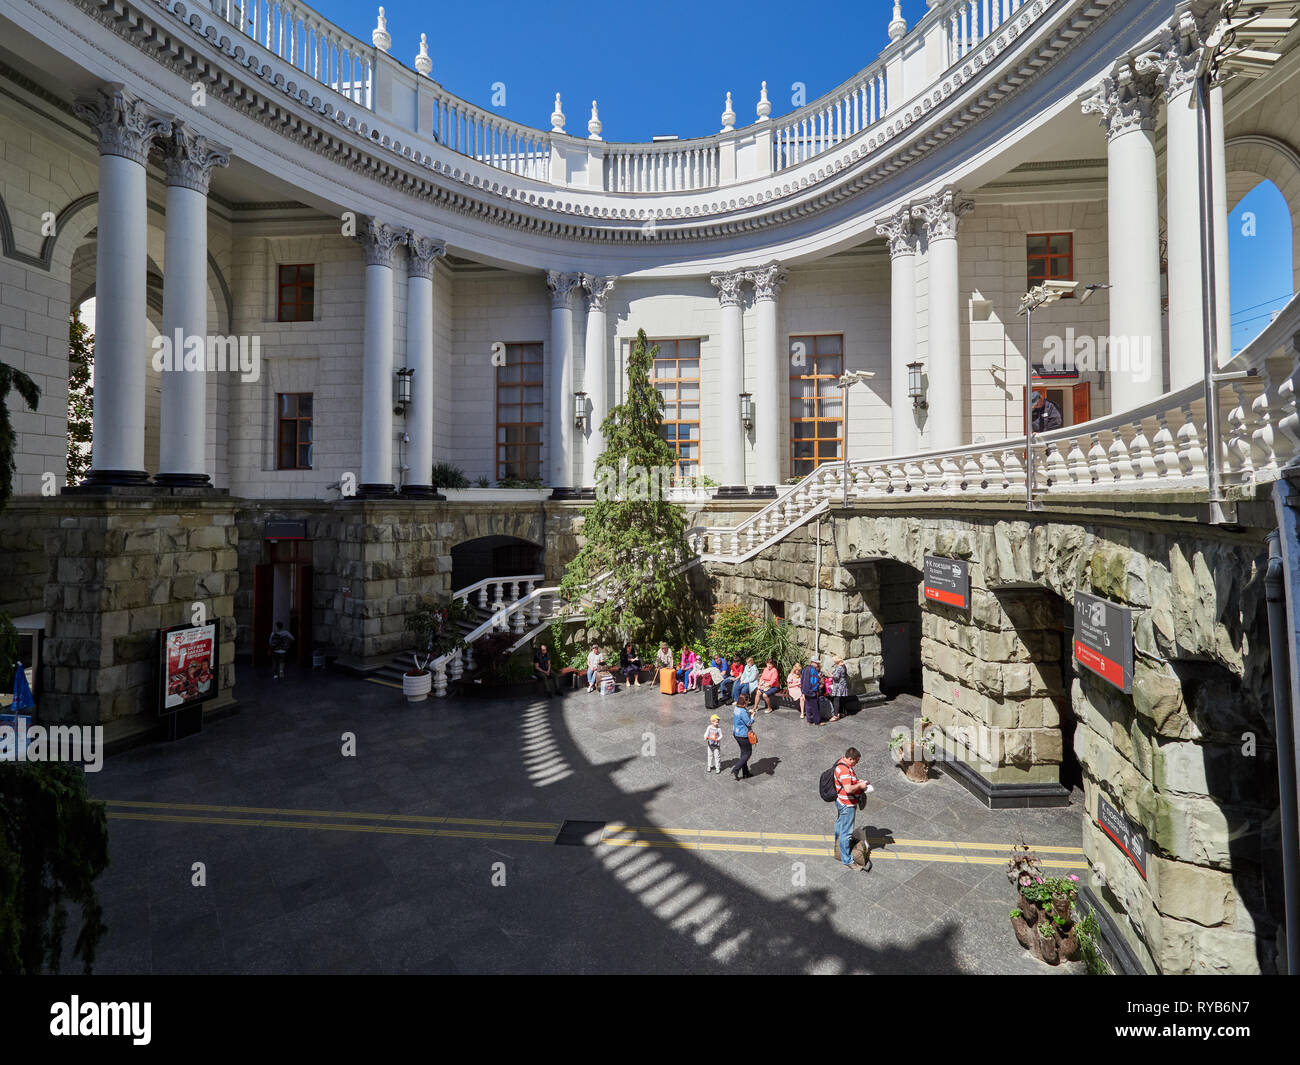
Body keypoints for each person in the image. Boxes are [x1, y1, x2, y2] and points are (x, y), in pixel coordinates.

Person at [833, 747, 872, 870]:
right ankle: (846, 859)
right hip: (847, 804)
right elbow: (848, 789)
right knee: (846, 832)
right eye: (855, 762)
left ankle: (838, 846)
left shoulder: (841, 763)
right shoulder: (844, 770)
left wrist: (858, 782)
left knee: (840, 825)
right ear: (850, 758)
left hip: (840, 801)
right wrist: (860, 785)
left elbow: (847, 783)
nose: (856, 764)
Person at [732, 699, 755, 780]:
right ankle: (736, 768)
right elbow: (749, 723)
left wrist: (748, 713)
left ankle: (746, 772)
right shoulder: (742, 711)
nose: (748, 702)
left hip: (736, 733)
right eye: (747, 701)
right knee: (748, 753)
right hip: (743, 735)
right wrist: (752, 716)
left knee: (743, 753)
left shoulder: (736, 708)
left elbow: (741, 718)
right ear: (744, 702)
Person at [802, 655, 825, 726]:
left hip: (805, 690)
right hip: (812, 691)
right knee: (815, 707)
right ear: (813, 662)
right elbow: (814, 682)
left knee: (808, 706)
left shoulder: (805, 669)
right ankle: (817, 721)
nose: (818, 665)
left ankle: (809, 720)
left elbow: (802, 680)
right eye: (817, 663)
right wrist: (816, 690)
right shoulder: (813, 670)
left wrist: (802, 690)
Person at [828, 655, 848, 721]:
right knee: (842, 699)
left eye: (834, 660)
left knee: (836, 700)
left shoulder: (839, 667)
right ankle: (842, 713)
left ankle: (835, 715)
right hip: (843, 685)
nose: (834, 662)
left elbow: (836, 677)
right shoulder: (844, 666)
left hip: (838, 686)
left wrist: (831, 675)